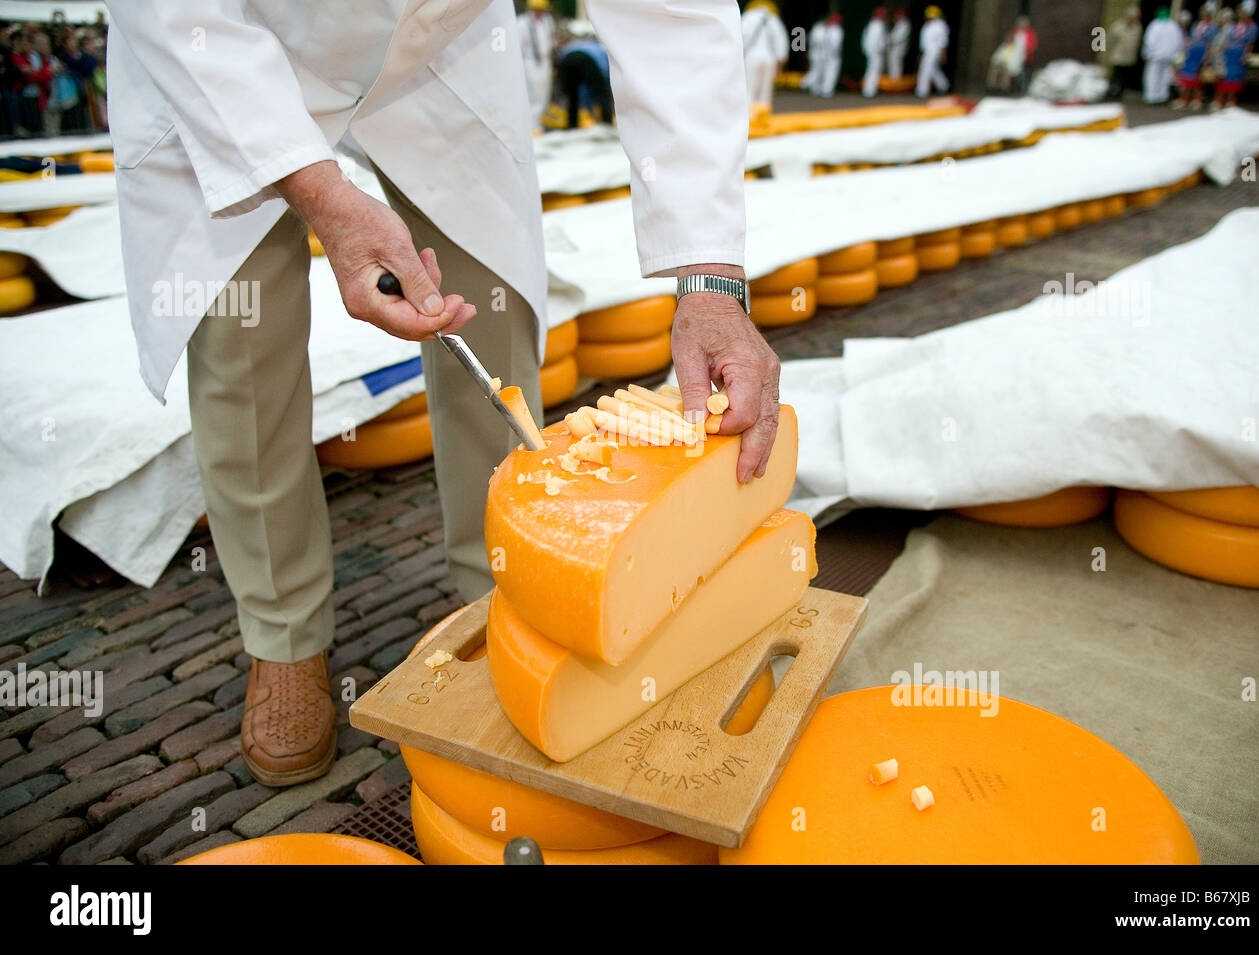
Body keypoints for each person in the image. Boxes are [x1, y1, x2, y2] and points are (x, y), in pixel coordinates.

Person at [104, 0, 777, 787]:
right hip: (218, 43)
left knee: (490, 300)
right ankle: (283, 635)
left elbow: (672, 15)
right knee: (242, 333)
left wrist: (709, 279)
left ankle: (504, 597)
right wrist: (321, 193)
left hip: (441, 50)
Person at [556, 24, 612, 128]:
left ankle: (572, 125)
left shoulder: (575, 44)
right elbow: (606, 75)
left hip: (566, 60)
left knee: (572, 97)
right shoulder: (601, 48)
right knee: (603, 95)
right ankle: (607, 124)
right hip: (586, 59)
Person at [741, 0, 789, 108]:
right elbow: (781, 42)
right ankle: (763, 117)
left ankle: (749, 118)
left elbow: (740, 38)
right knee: (766, 92)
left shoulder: (748, 17)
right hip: (770, 59)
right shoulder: (774, 19)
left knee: (749, 89)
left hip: (751, 57)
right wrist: (780, 63)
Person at [1210, 3, 1258, 110]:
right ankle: (1219, 99)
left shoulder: (1252, 27)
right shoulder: (1232, 26)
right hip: (1228, 53)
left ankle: (1230, 100)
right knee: (1223, 75)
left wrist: (1246, 55)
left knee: (1235, 77)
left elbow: (1250, 43)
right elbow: (1223, 38)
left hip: (1239, 54)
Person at [518, 0, 555, 133]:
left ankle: (537, 123)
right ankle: (531, 126)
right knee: (532, 93)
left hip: (545, 61)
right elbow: (519, 45)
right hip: (529, 61)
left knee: (544, 93)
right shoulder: (522, 23)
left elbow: (549, 40)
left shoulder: (547, 21)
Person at [1174, 5, 1218, 110]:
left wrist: (1207, 57)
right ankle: (1184, 99)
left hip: (1202, 53)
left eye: (1205, 12)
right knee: (1186, 77)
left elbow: (1211, 43)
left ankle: (1196, 99)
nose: (1203, 14)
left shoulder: (1212, 27)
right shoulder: (1196, 24)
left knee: (1198, 78)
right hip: (1191, 52)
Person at [1141, 7, 1183, 104]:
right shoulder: (1173, 26)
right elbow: (1178, 42)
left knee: (1153, 76)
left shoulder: (1154, 25)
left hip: (1155, 56)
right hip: (1169, 56)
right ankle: (1162, 96)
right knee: (1165, 77)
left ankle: (1151, 96)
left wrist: (1147, 53)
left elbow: (1149, 41)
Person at [802, 11, 842, 98]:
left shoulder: (824, 29)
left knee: (819, 71)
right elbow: (833, 44)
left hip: (821, 54)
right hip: (823, 54)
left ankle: (816, 89)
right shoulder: (826, 29)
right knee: (820, 71)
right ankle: (806, 83)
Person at [1107, 5, 1144, 99]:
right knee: (1116, 76)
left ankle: (1120, 93)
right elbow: (1110, 40)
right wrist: (1107, 52)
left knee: (1125, 77)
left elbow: (1138, 42)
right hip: (1118, 55)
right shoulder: (1118, 26)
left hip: (1130, 57)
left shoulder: (1138, 27)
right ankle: (1111, 92)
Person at [916, 5, 949, 98]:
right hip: (927, 51)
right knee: (933, 70)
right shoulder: (927, 26)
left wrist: (943, 54)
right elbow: (923, 41)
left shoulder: (941, 25)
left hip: (935, 51)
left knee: (926, 70)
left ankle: (922, 91)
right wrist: (921, 53)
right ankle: (943, 86)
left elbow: (943, 41)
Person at [861, 7, 887, 98]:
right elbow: (880, 41)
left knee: (870, 70)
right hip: (876, 52)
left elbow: (864, 38)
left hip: (870, 51)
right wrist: (882, 49)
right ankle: (870, 90)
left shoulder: (870, 24)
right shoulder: (879, 25)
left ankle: (868, 90)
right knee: (874, 71)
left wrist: (866, 50)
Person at [888, 8, 911, 80]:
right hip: (894, 48)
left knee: (896, 65)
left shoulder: (905, 24)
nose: (896, 17)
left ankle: (896, 81)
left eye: (898, 15)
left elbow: (898, 38)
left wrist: (888, 40)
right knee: (893, 64)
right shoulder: (899, 23)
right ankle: (893, 80)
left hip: (899, 48)